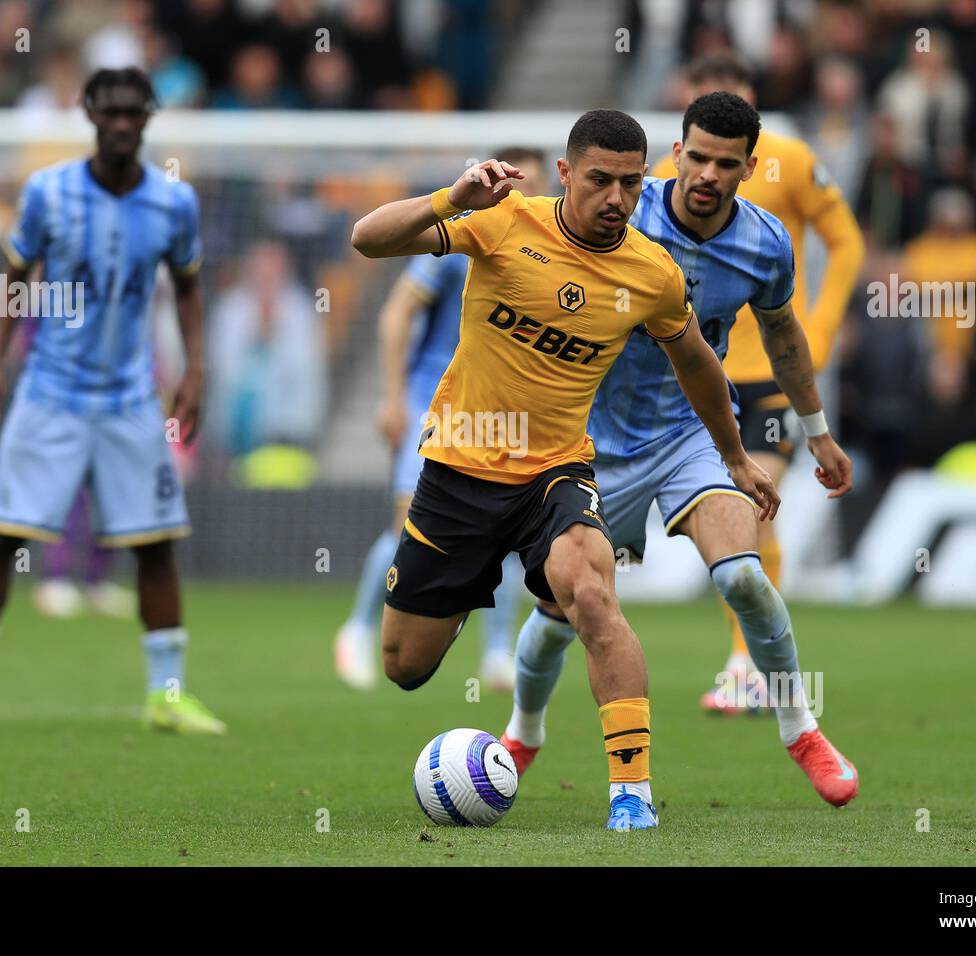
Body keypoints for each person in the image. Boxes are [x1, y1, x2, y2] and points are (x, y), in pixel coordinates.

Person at [350, 109, 780, 830]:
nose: (616, 197)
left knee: (591, 594)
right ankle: (462, 594)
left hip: (557, 474)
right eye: (600, 180)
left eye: (632, 183)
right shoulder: (503, 221)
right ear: (566, 174)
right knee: (404, 667)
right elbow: (367, 240)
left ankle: (632, 792)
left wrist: (734, 454)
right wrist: (452, 197)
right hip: (458, 471)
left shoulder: (650, 272)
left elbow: (700, 365)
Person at [501, 92, 860, 808]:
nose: (707, 174)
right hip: (590, 444)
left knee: (744, 578)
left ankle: (800, 728)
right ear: (675, 154)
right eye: (696, 156)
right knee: (562, 612)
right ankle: (523, 732)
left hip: (695, 433)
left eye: (726, 164)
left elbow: (784, 336)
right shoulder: (624, 214)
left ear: (749, 168)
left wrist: (816, 431)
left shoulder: (764, 243)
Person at [0, 67, 224, 735]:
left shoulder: (174, 204)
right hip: (49, 392)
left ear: (148, 116)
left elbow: (190, 287)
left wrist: (196, 369)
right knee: (3, 535)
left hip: (130, 398)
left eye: (132, 112)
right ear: (89, 112)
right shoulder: (48, 193)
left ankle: (166, 697)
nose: (120, 123)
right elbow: (14, 278)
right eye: (108, 111)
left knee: (155, 545)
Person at [653, 52, 865, 713]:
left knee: (753, 511)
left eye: (731, 95)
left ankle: (746, 664)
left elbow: (847, 242)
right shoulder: (662, 179)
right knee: (719, 521)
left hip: (771, 373)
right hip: (695, 381)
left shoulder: (792, 160)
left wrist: (821, 326)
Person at [333, 147, 549, 693]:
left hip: (504, 407)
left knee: (505, 527)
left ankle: (497, 652)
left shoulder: (554, 252)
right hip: (439, 400)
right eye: (522, 183)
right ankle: (357, 630)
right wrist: (392, 398)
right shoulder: (468, 235)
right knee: (409, 523)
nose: (531, 197)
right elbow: (396, 313)